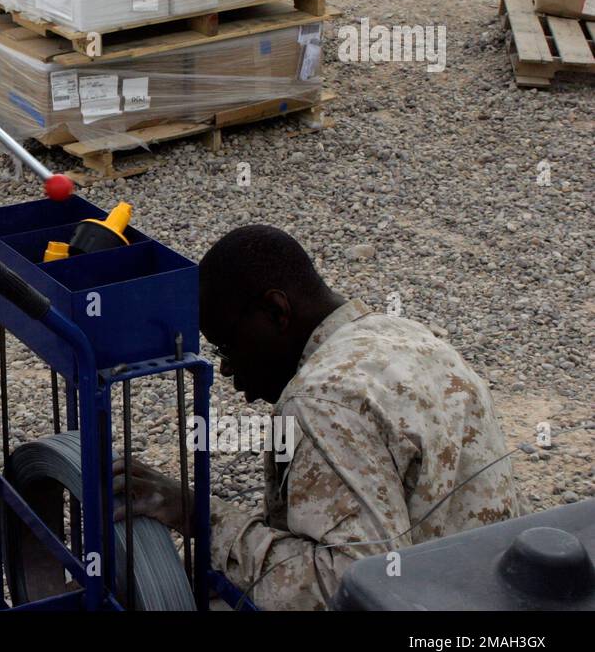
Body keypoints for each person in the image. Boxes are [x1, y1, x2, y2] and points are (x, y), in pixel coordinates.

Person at [115, 224, 521, 609]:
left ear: (276, 311)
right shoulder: (404, 335)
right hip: (499, 587)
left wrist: (196, 515)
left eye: (226, 345)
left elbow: (348, 585)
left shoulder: (321, 401)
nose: (225, 369)